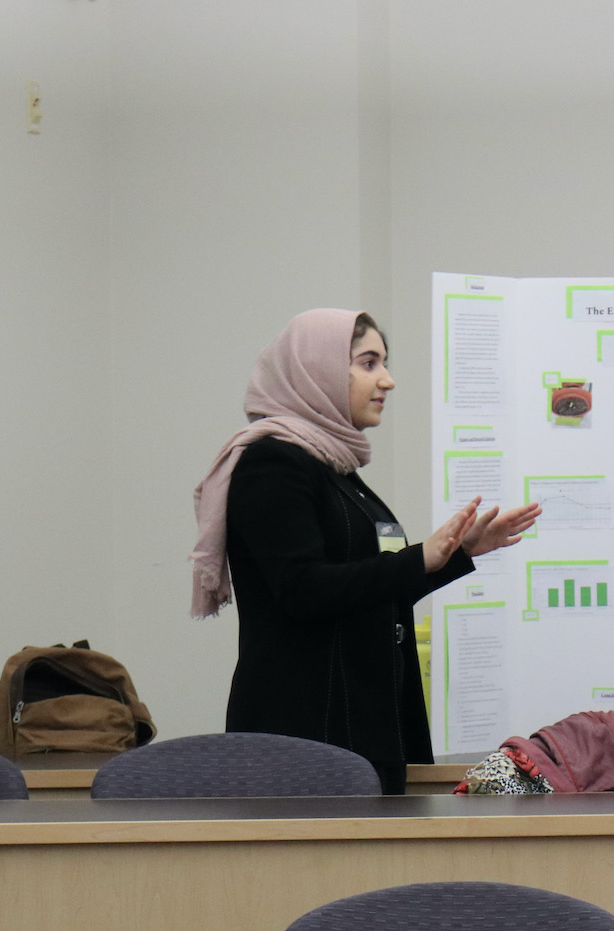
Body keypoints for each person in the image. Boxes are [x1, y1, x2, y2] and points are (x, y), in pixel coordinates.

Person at [190, 309, 537, 793]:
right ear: (319, 371)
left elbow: (370, 589)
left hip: (363, 723)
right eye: (369, 363)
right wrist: (420, 557)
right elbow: (302, 589)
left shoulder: (335, 469)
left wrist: (457, 554)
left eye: (384, 364)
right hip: (307, 735)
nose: (388, 381)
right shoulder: (273, 464)